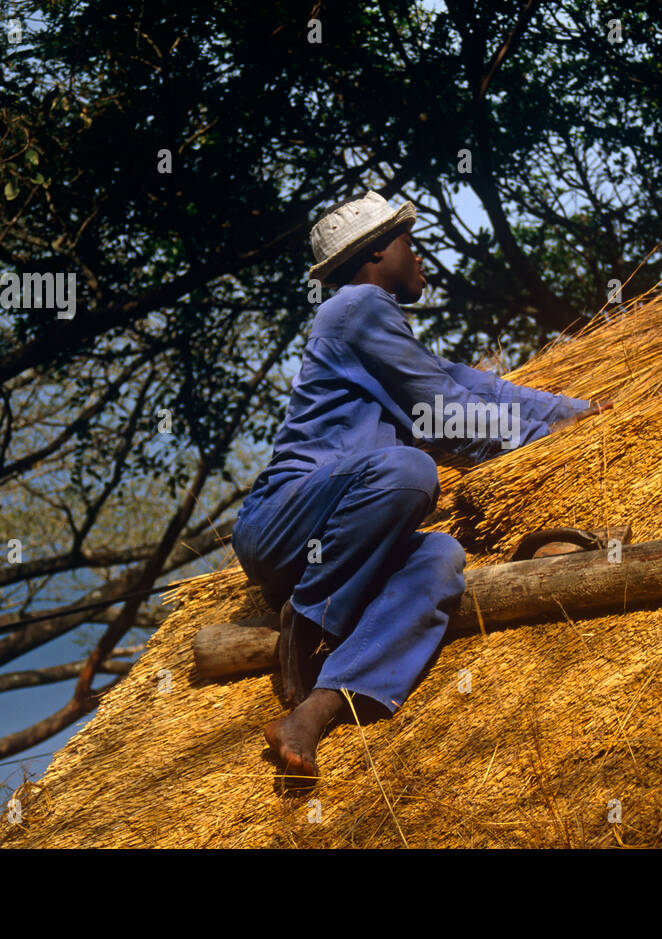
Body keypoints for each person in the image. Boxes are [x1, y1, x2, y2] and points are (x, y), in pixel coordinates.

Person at [231, 190, 612, 784]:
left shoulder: (390, 342)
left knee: (440, 556)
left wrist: (578, 413)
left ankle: (316, 707)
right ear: (377, 251)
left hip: (333, 549)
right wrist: (550, 432)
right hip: (285, 523)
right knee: (409, 471)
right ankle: (307, 626)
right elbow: (452, 415)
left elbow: (485, 390)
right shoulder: (356, 308)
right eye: (411, 242)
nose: (421, 256)